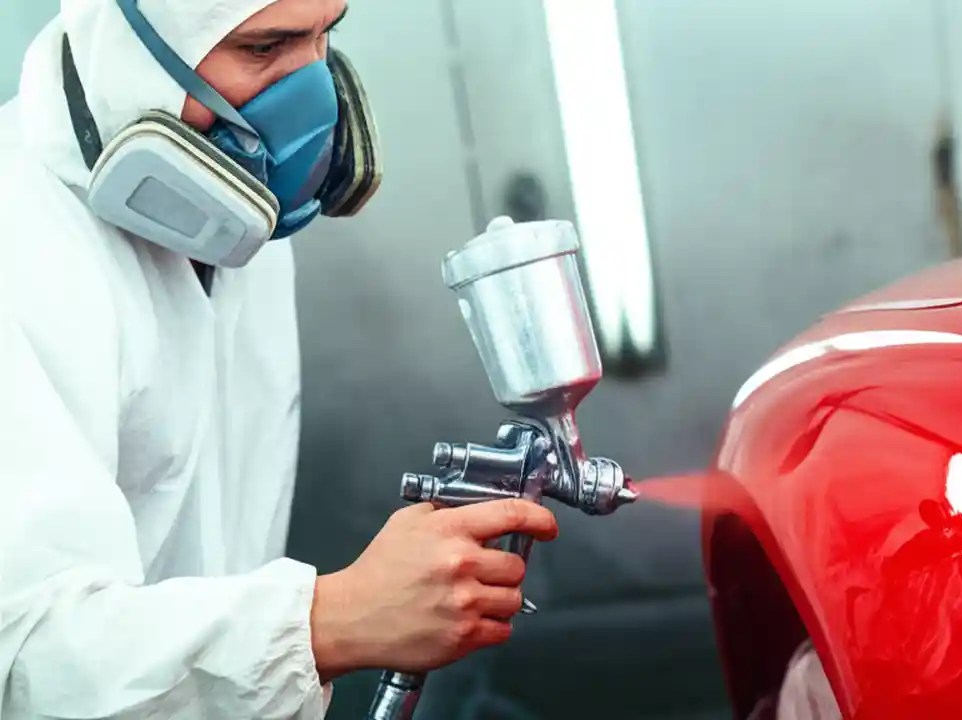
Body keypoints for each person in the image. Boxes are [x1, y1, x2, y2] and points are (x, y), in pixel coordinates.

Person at [0, 0, 558, 717]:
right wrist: (330, 620)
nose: (314, 99)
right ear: (128, 48)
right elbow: (25, 658)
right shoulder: (21, 246)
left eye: (325, 35)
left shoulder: (229, 220)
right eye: (266, 47)